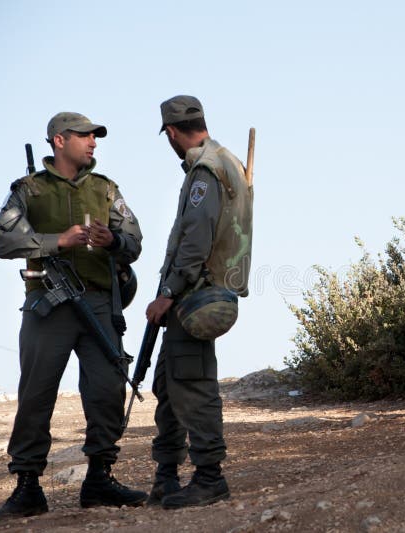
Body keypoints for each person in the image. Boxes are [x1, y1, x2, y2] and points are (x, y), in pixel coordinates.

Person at [0, 112, 147, 522]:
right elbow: (3, 240)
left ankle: (99, 478)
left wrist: (113, 240)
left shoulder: (105, 189)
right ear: (59, 140)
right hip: (48, 305)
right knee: (37, 394)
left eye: (95, 137)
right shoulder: (29, 189)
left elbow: (135, 241)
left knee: (107, 389)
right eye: (85, 136)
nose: (93, 142)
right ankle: (27, 486)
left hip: (99, 304)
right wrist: (56, 241)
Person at [145, 95, 253, 509]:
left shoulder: (206, 169)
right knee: (169, 382)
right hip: (203, 289)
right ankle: (166, 476)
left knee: (192, 383)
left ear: (171, 132)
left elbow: (196, 238)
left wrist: (167, 292)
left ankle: (210, 477)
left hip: (194, 293)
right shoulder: (227, 162)